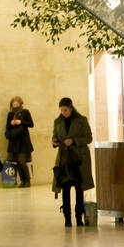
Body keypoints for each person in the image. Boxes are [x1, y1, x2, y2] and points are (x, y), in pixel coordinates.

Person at [51, 96, 94, 226]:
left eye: (65, 110)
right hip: (64, 160)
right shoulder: (57, 122)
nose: (63, 113)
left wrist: (74, 141)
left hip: (78, 160)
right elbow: (54, 136)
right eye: (61, 110)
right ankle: (67, 218)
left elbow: (88, 138)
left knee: (79, 189)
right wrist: (54, 142)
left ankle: (79, 217)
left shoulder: (81, 120)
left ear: (71, 108)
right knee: (65, 189)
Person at [5, 95, 34, 187]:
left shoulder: (25, 112)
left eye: (17, 103)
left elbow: (31, 124)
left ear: (20, 103)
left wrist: (21, 122)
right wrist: (12, 123)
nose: (15, 105)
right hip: (14, 141)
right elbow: (7, 127)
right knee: (16, 162)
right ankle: (22, 180)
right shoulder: (10, 114)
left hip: (23, 141)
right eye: (13, 103)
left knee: (22, 161)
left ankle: (27, 180)